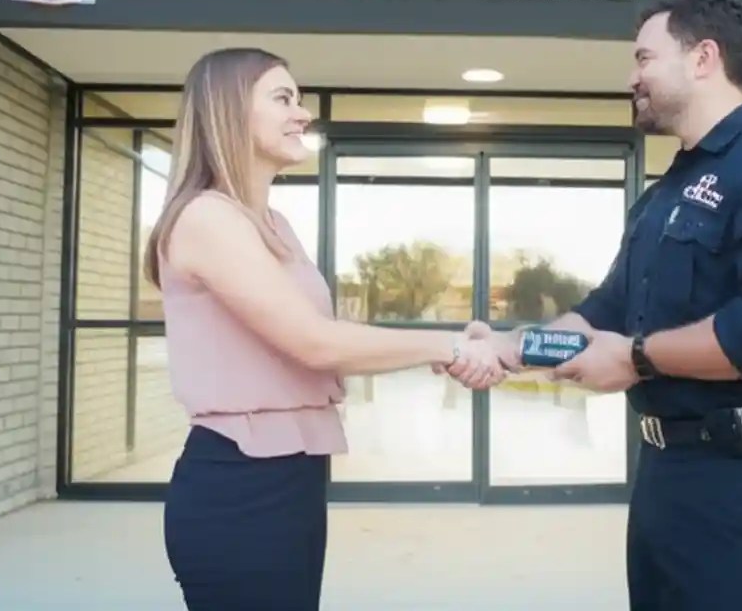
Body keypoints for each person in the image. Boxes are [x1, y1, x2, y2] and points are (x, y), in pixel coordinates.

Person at [479, 0, 742, 609]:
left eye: (644, 59)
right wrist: (512, 349)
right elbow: (606, 309)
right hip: (666, 475)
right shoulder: (664, 195)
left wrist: (634, 358)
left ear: (703, 57)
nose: (632, 77)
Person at [145, 47, 509, 611]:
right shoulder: (206, 217)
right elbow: (313, 342)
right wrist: (449, 344)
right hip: (240, 488)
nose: (302, 113)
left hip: (293, 480)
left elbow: (323, 335)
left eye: (300, 99)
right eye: (283, 98)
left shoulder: (274, 225)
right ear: (230, 110)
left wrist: (434, 349)